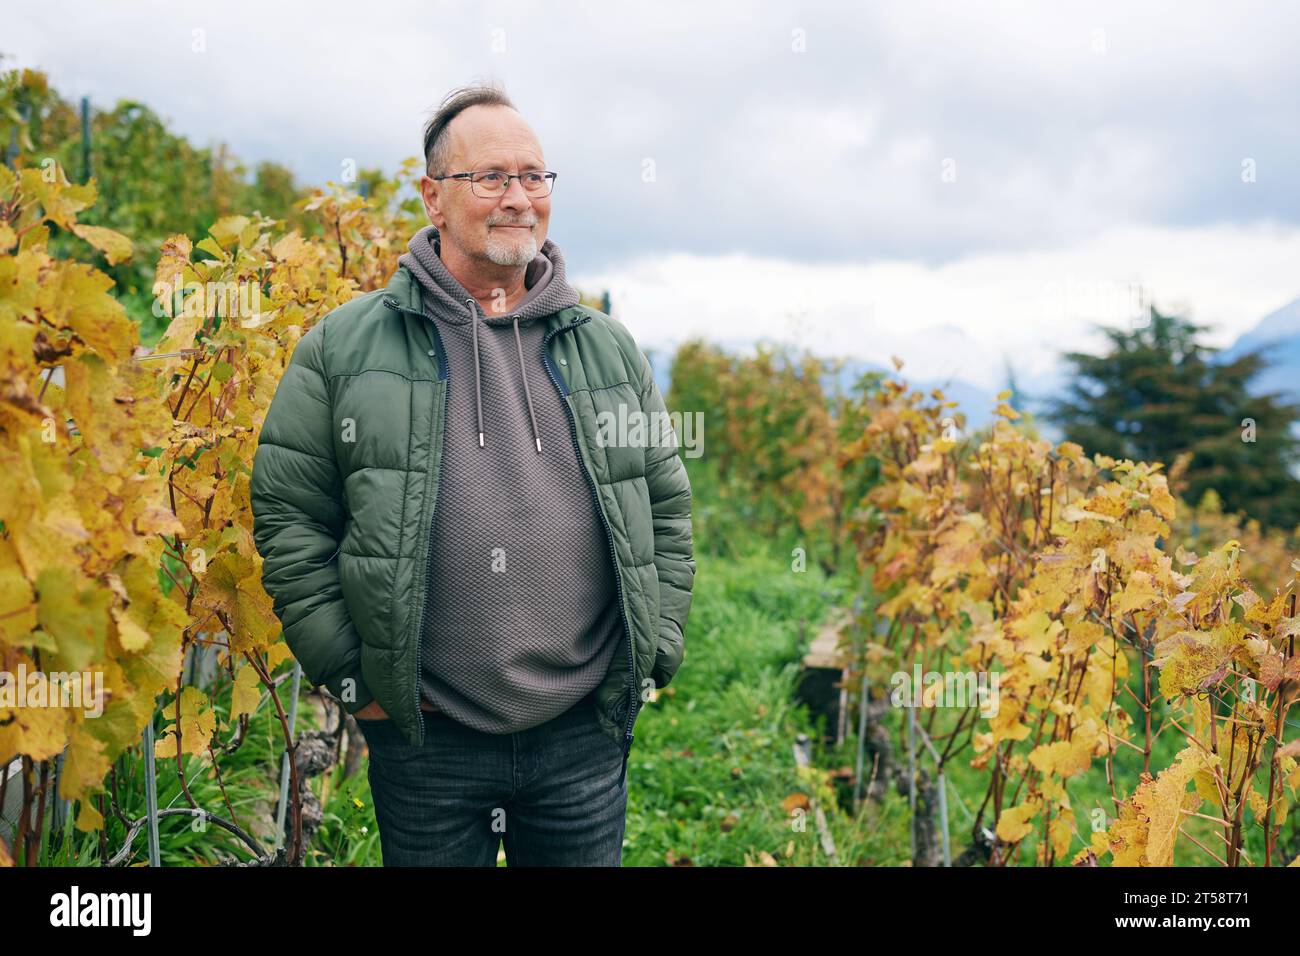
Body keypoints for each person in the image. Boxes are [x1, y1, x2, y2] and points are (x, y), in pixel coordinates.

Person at [250, 83, 695, 866]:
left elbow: (665, 508)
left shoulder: (608, 350)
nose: (519, 197)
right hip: (426, 737)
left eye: (534, 177)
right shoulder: (344, 347)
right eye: (491, 177)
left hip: (581, 737)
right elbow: (291, 519)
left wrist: (653, 653)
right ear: (433, 198)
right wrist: (361, 683)